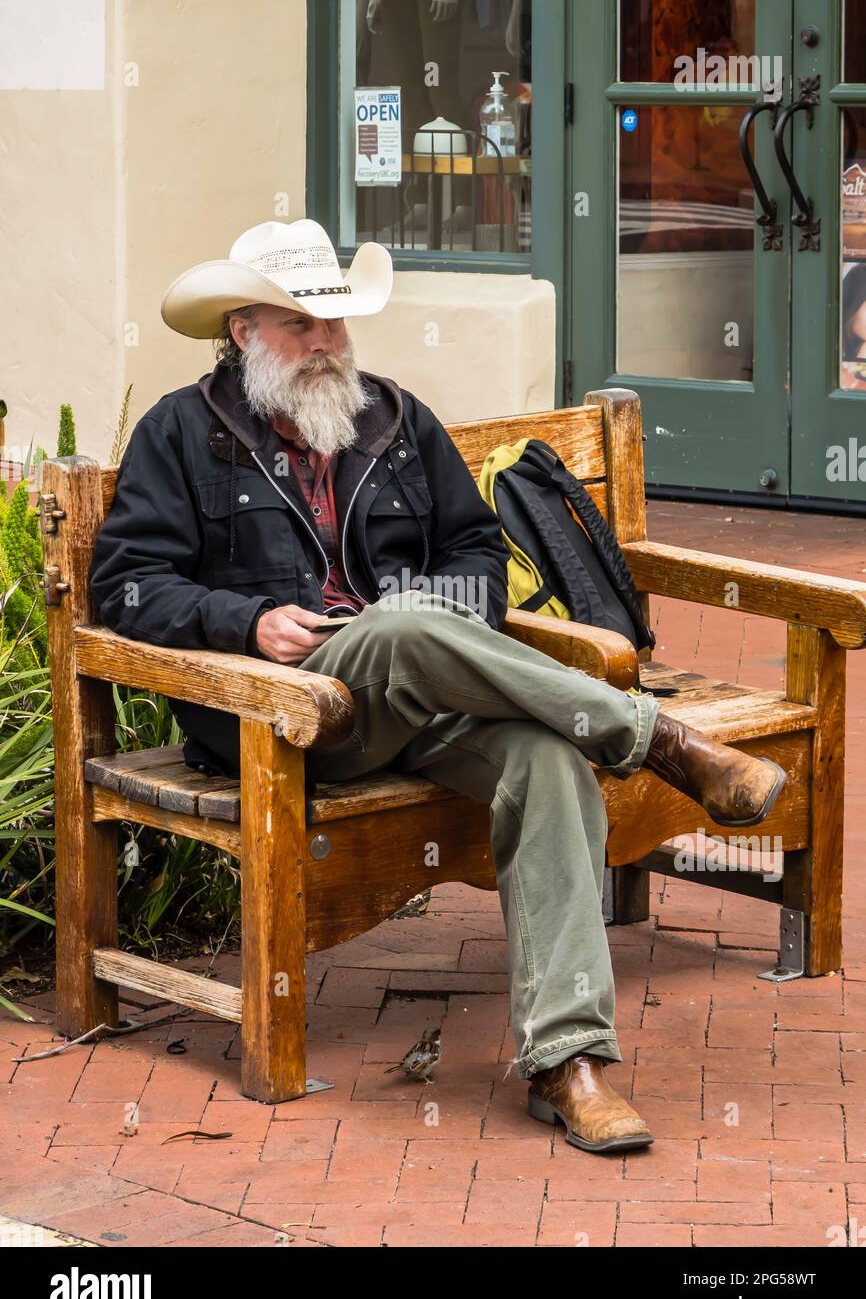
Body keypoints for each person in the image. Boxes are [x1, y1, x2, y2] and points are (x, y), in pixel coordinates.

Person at [90, 218, 786, 1154]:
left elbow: (473, 555)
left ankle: (566, 1064)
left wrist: (436, 607)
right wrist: (244, 623)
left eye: (336, 322)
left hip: (421, 697)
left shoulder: (396, 419)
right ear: (244, 330)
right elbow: (127, 586)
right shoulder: (180, 432)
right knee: (411, 625)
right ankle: (655, 738)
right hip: (282, 711)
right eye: (303, 324)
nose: (328, 342)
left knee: (545, 760)